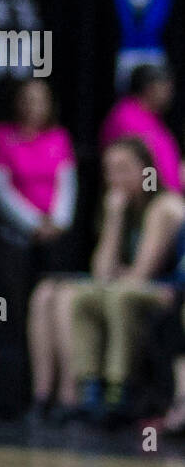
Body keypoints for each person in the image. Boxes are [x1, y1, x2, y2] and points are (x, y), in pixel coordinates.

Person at [69, 136, 185, 423]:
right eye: (110, 170)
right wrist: (114, 217)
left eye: (123, 168)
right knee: (83, 297)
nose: (115, 178)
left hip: (167, 290)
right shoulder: (121, 208)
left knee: (119, 295)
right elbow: (101, 273)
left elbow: (141, 274)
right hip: (139, 288)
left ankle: (119, 388)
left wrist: (119, 276)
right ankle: (90, 388)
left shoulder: (164, 206)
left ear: (147, 170)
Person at [0, 79, 77, 265]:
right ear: (16, 101)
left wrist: (59, 222)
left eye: (40, 100)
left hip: (55, 234)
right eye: (28, 100)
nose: (34, 106)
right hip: (13, 235)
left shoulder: (59, 136)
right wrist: (33, 224)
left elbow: (67, 184)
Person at [99, 63, 182, 194]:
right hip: (145, 201)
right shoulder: (127, 117)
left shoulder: (153, 117)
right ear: (150, 88)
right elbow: (135, 165)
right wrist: (153, 197)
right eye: (166, 87)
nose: (170, 93)